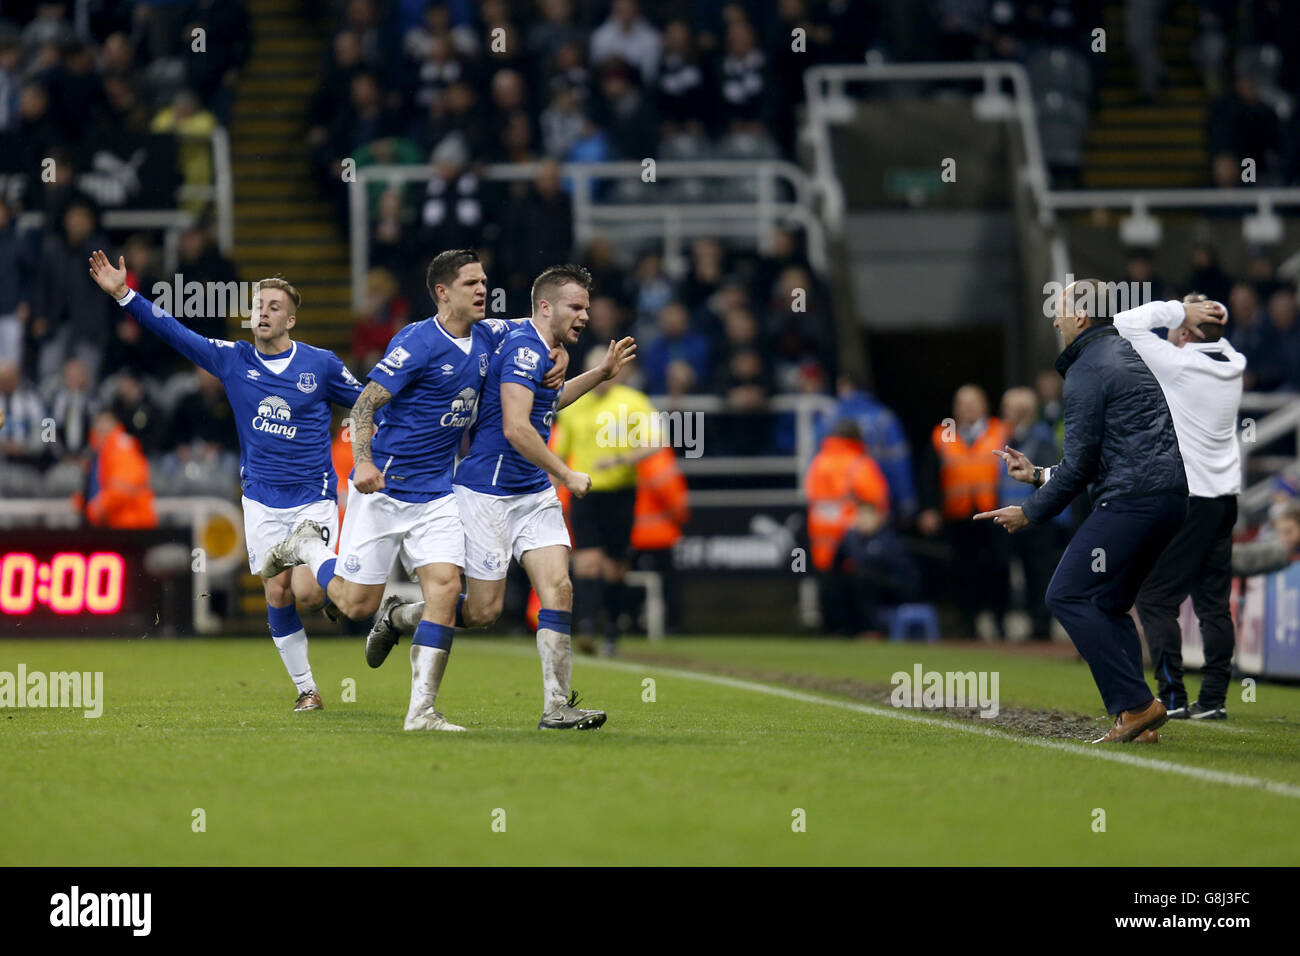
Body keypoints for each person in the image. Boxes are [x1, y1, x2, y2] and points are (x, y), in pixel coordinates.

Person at [259, 250, 567, 731]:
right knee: (355, 606)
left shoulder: (490, 334)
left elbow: (536, 325)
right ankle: (305, 547)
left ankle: (421, 711)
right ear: (443, 293)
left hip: (438, 494)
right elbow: (363, 405)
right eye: (471, 283)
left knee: (445, 590)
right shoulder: (417, 343)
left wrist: (560, 350)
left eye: (484, 281)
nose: (482, 290)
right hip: (383, 491)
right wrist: (362, 460)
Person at [88, 250, 362, 713]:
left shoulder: (322, 365)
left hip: (311, 498)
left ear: (291, 319)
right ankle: (307, 689)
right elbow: (174, 332)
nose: (263, 312)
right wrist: (124, 295)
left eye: (274, 306)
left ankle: (333, 596)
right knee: (277, 591)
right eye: (259, 305)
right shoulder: (233, 360)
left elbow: (368, 400)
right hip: (260, 501)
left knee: (308, 594)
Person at [364, 265, 636, 729]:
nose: (585, 315)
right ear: (547, 306)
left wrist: (601, 373)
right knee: (481, 611)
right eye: (576, 306)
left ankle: (556, 707)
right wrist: (567, 474)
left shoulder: (526, 340)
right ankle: (400, 614)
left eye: (587, 307)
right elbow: (515, 429)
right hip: (486, 495)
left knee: (559, 588)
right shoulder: (525, 350)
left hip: (531, 493)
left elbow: (546, 404)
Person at [977, 278, 1189, 744]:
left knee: (1066, 595)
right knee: (1108, 602)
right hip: (1169, 498)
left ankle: (1136, 707)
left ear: (1082, 316)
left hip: (1132, 499)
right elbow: (1100, 459)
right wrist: (1036, 475)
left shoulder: (1087, 369)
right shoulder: (1126, 355)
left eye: (1061, 310)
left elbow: (1081, 468)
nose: (1055, 319)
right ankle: (1138, 720)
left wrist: (1029, 511)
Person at [1117, 293, 1244, 720]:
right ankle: (1213, 701)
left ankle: (1171, 697)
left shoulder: (1181, 365)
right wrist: (1204, 313)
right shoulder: (1232, 362)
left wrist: (1177, 309)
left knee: (1154, 599)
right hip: (1226, 500)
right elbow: (1216, 332)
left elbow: (1124, 322)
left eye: (1180, 324)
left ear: (1186, 331)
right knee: (1212, 605)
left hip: (1193, 501)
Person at [552, 347, 658, 656]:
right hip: (585, 493)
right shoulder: (573, 405)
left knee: (614, 567)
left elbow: (653, 442)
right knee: (586, 561)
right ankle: (585, 628)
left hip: (621, 493)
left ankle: (611, 629)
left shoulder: (633, 402)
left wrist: (621, 459)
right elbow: (559, 453)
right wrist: (550, 486)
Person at [918, 385, 1008, 638]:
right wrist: (928, 509)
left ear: (984, 406)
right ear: (955, 409)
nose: (968, 408)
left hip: (995, 514)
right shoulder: (942, 435)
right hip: (958, 516)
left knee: (997, 568)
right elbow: (928, 476)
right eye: (962, 403)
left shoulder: (1001, 431)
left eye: (973, 402)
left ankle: (1000, 622)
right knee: (962, 571)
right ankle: (968, 624)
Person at [805, 420, 890, 635]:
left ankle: (831, 631)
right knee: (855, 586)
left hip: (821, 537)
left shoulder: (818, 462)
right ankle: (861, 630)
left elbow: (810, 495)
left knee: (827, 588)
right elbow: (877, 500)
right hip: (851, 540)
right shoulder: (860, 463)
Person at [997, 386, 1063, 640]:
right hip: (1014, 516)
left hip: (1037, 518)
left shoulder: (1042, 437)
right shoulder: (1008, 436)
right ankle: (1032, 624)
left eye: (1008, 408)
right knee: (1021, 572)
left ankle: (1041, 626)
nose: (1004, 413)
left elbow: (1045, 475)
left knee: (1039, 572)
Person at [81, 407, 157, 529]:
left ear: (115, 423)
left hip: (131, 523)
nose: (100, 425)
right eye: (98, 421)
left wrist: (98, 506)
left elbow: (124, 487)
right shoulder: (97, 452)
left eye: (105, 421)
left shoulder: (121, 446)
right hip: (112, 523)